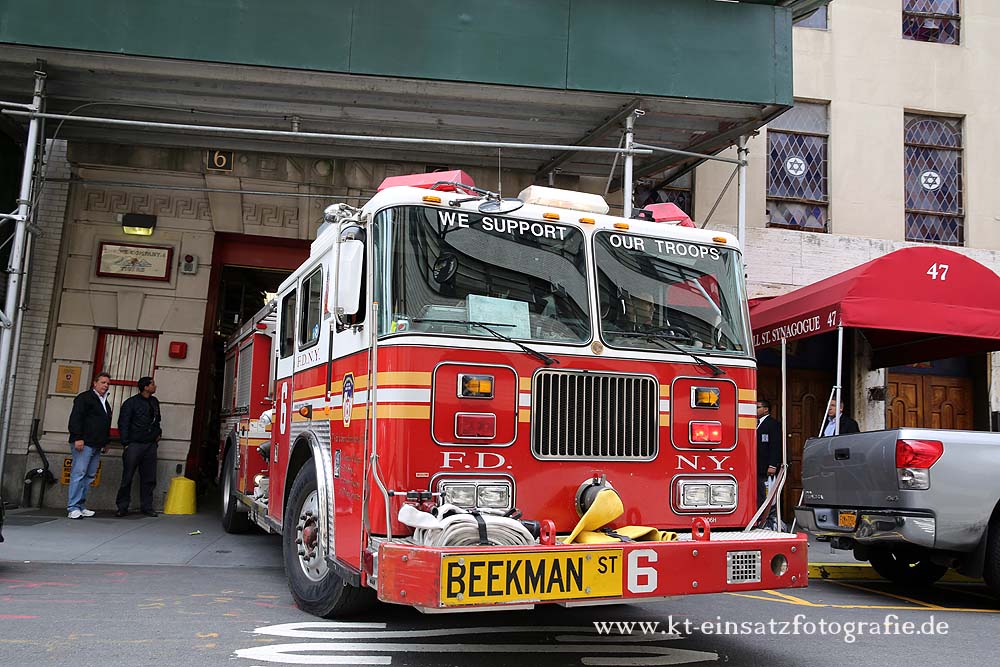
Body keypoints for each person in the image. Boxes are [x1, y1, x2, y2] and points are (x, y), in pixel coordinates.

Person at [66, 372, 113, 519]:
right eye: (103, 382)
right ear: (95, 383)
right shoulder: (84, 398)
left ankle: (80, 505)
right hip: (84, 443)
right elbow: (76, 418)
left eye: (107, 383)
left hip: (97, 444)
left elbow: (104, 423)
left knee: (89, 475)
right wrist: (78, 437)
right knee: (79, 474)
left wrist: (106, 442)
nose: (105, 386)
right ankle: (72, 507)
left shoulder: (104, 402)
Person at [115, 376, 162, 517]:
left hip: (150, 445)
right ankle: (122, 506)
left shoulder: (154, 402)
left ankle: (147, 507)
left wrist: (158, 434)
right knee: (127, 477)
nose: (155, 386)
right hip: (134, 444)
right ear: (146, 387)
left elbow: (157, 420)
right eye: (153, 384)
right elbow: (123, 423)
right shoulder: (131, 403)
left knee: (149, 478)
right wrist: (126, 444)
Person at [755, 399, 782, 516]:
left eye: (758, 407)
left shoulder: (772, 424)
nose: (755, 410)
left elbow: (775, 445)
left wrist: (772, 464)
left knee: (766, 493)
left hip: (766, 466)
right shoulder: (755, 423)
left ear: (766, 409)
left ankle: (768, 517)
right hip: (756, 465)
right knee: (759, 493)